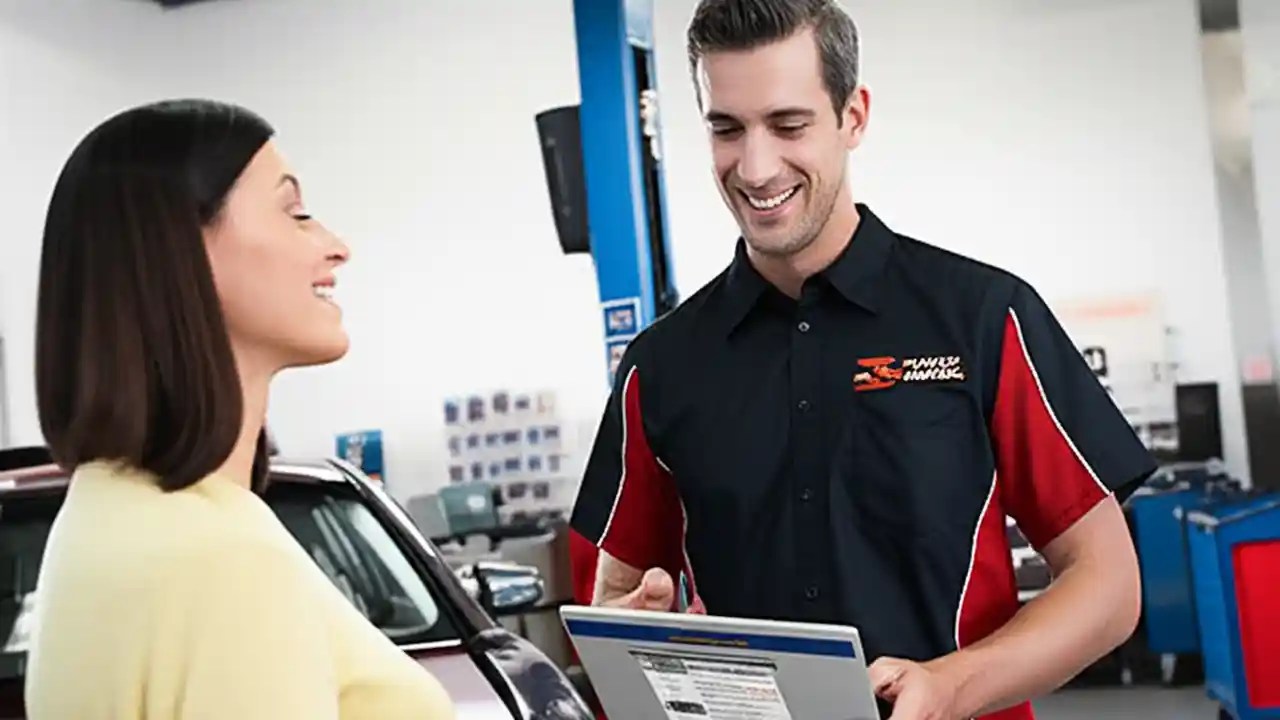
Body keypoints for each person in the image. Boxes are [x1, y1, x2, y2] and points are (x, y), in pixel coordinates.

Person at [567, 1, 1153, 718]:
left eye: (788, 125)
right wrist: (638, 642)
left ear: (853, 116)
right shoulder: (661, 368)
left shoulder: (981, 319)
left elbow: (1109, 585)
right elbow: (616, 602)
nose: (755, 168)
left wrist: (951, 686)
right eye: (727, 128)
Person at [24, 99, 455, 719]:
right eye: (296, 212)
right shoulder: (222, 561)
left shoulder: (108, 515)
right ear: (180, 249)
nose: (336, 247)